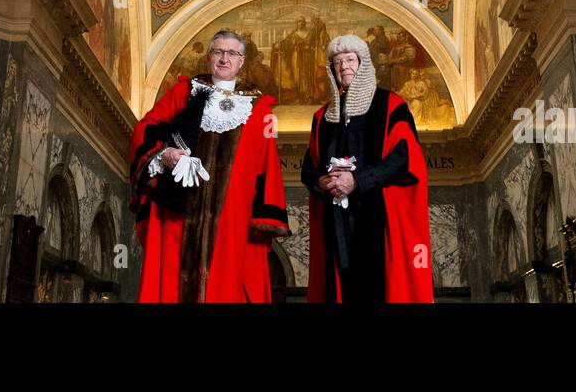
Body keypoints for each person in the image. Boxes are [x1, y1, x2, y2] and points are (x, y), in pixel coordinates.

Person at [131, 30, 289, 302]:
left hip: (233, 216)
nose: (224, 58)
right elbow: (145, 127)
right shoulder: (184, 91)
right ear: (209, 57)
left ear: (242, 61)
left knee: (225, 285)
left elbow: (268, 165)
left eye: (232, 53)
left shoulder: (260, 107)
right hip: (180, 208)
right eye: (218, 52)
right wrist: (165, 153)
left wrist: (264, 218)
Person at [300, 34, 433, 302]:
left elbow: (403, 157)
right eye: (337, 62)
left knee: (377, 285)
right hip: (335, 219)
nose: (344, 66)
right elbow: (308, 168)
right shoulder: (322, 117)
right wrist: (322, 181)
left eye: (350, 60)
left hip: (377, 212)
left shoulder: (391, 105)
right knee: (340, 283)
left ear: (362, 63)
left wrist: (357, 180)